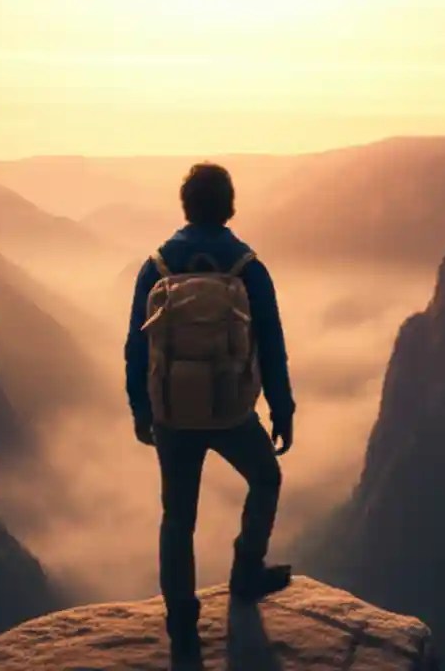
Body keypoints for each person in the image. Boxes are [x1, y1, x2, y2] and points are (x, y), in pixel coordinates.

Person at [125, 162, 296, 664]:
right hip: (231, 412)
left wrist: (142, 408)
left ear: (185, 206)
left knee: (178, 518)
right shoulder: (248, 267)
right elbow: (272, 342)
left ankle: (182, 626)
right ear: (229, 207)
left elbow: (135, 346)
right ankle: (246, 573)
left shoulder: (156, 266)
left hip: (172, 415)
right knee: (266, 478)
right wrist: (281, 408)